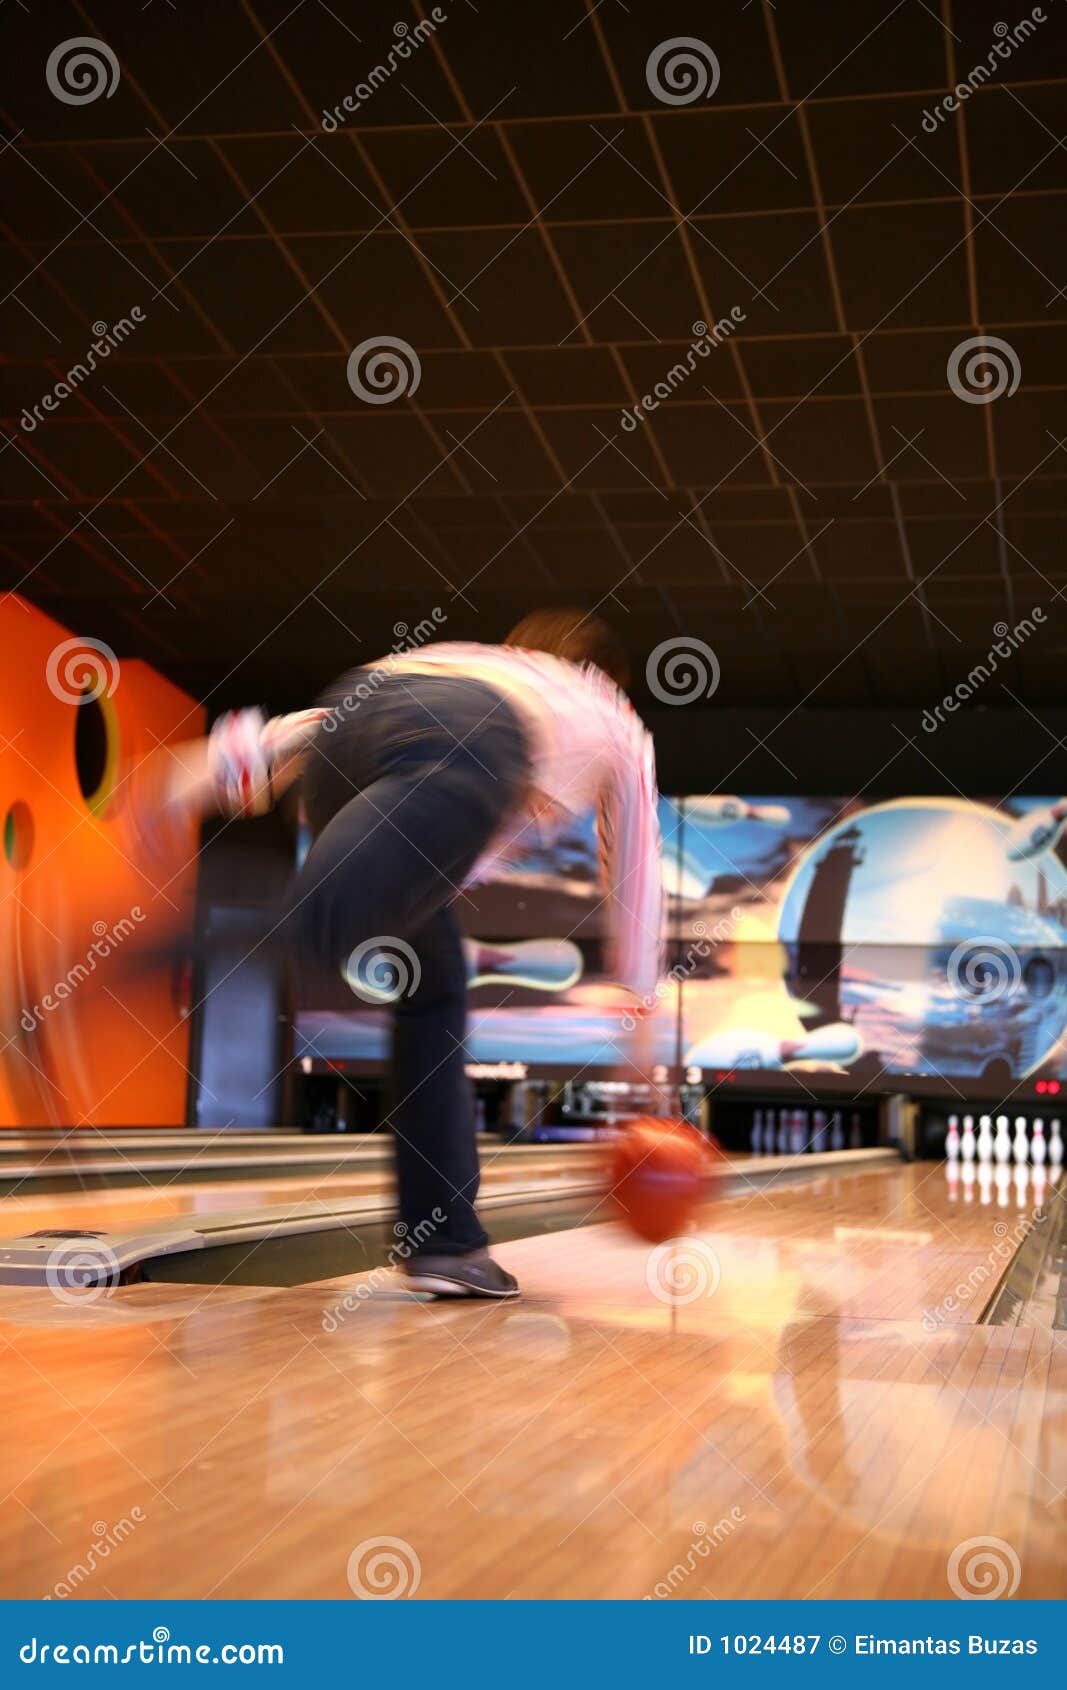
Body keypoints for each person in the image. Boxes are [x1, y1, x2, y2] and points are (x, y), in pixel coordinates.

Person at [159, 609, 663, 1298]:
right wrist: (639, 1034)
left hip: (353, 719)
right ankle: (115, 956)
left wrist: (215, 768)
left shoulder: (478, 661)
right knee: (324, 926)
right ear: (609, 681)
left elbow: (317, 728)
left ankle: (445, 1244)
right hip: (461, 747)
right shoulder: (608, 715)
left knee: (432, 989)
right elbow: (634, 877)